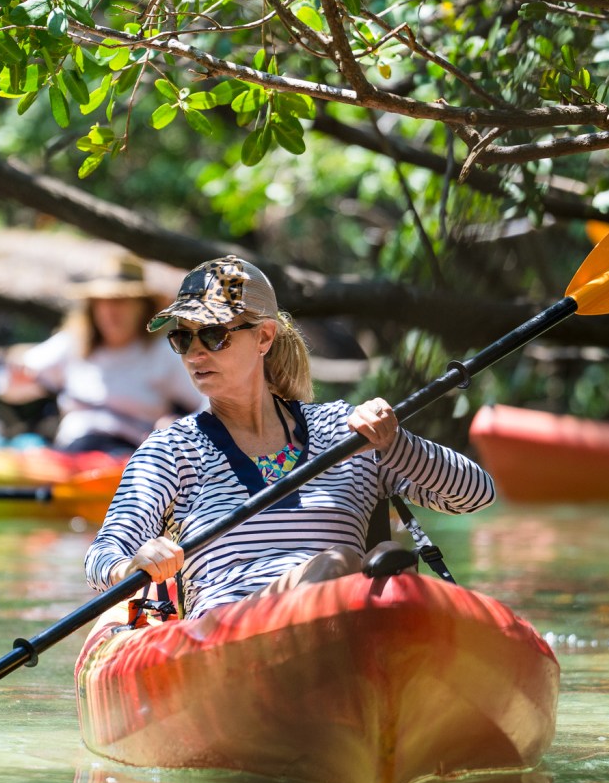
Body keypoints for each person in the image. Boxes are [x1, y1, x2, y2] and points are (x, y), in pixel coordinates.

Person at [84, 255, 496, 620]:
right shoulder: (170, 450)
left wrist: (395, 443)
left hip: (348, 626)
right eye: (183, 337)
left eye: (214, 335)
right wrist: (131, 565)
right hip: (229, 642)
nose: (195, 353)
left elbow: (476, 495)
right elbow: (102, 557)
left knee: (382, 568)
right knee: (342, 564)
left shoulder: (344, 431)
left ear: (264, 337)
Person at [0, 254, 204, 454]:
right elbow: (5, 385)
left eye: (121, 301)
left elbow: (208, 403)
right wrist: (14, 375)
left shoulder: (163, 354)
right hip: (74, 453)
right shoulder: (71, 344)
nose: (111, 311)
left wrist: (180, 428)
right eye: (103, 302)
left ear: (143, 307)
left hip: (130, 456)